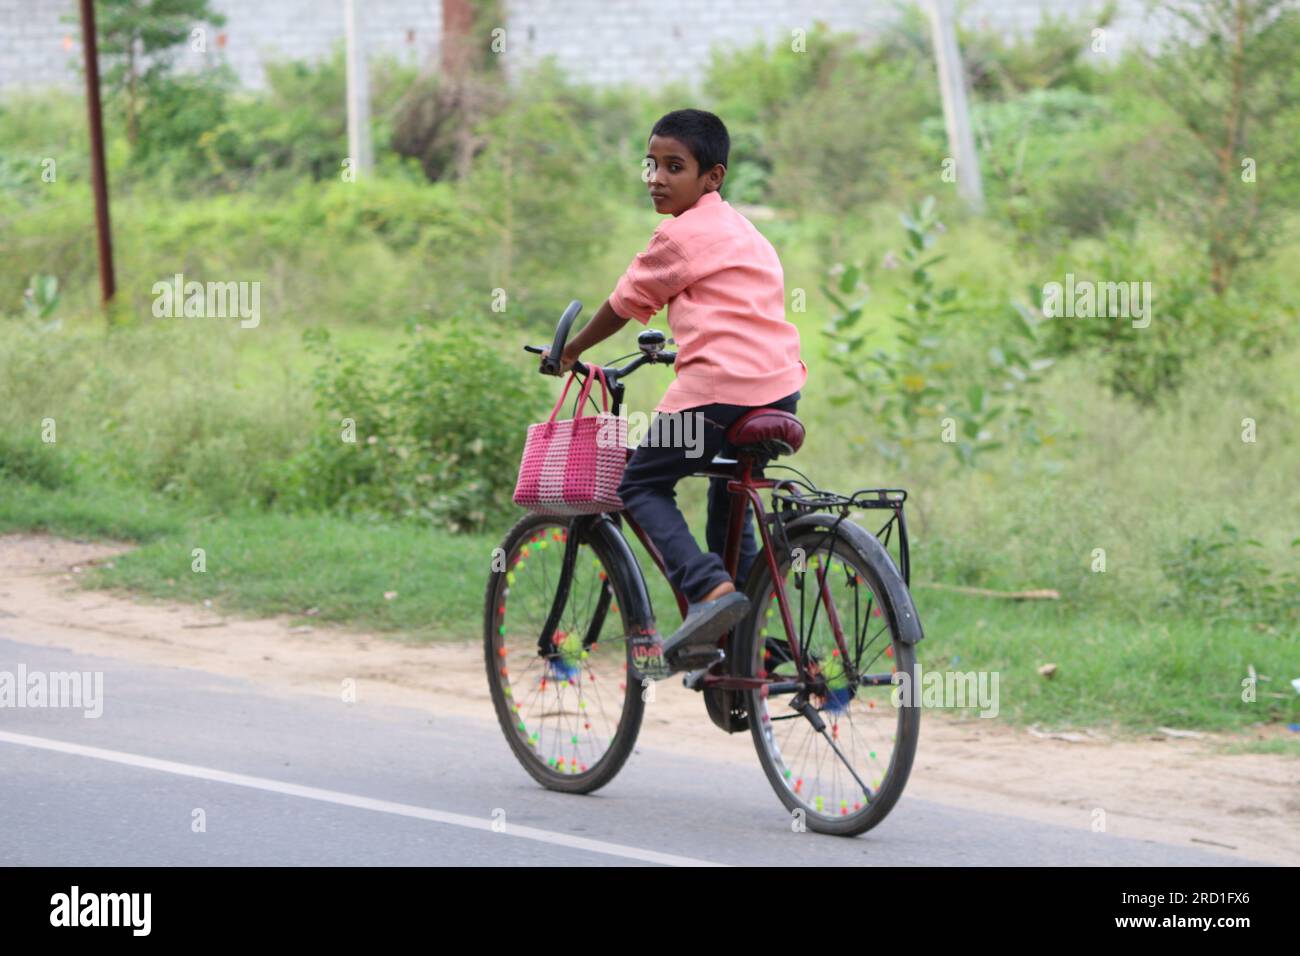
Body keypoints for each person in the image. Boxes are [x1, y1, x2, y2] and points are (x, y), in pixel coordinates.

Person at [540, 108, 806, 680]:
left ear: (712, 177)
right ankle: (745, 643)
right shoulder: (747, 233)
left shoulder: (681, 234)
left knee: (639, 482)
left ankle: (708, 589)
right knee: (729, 495)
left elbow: (624, 303)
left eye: (674, 167)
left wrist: (570, 353)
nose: (657, 178)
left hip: (715, 399)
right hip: (780, 396)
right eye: (651, 164)